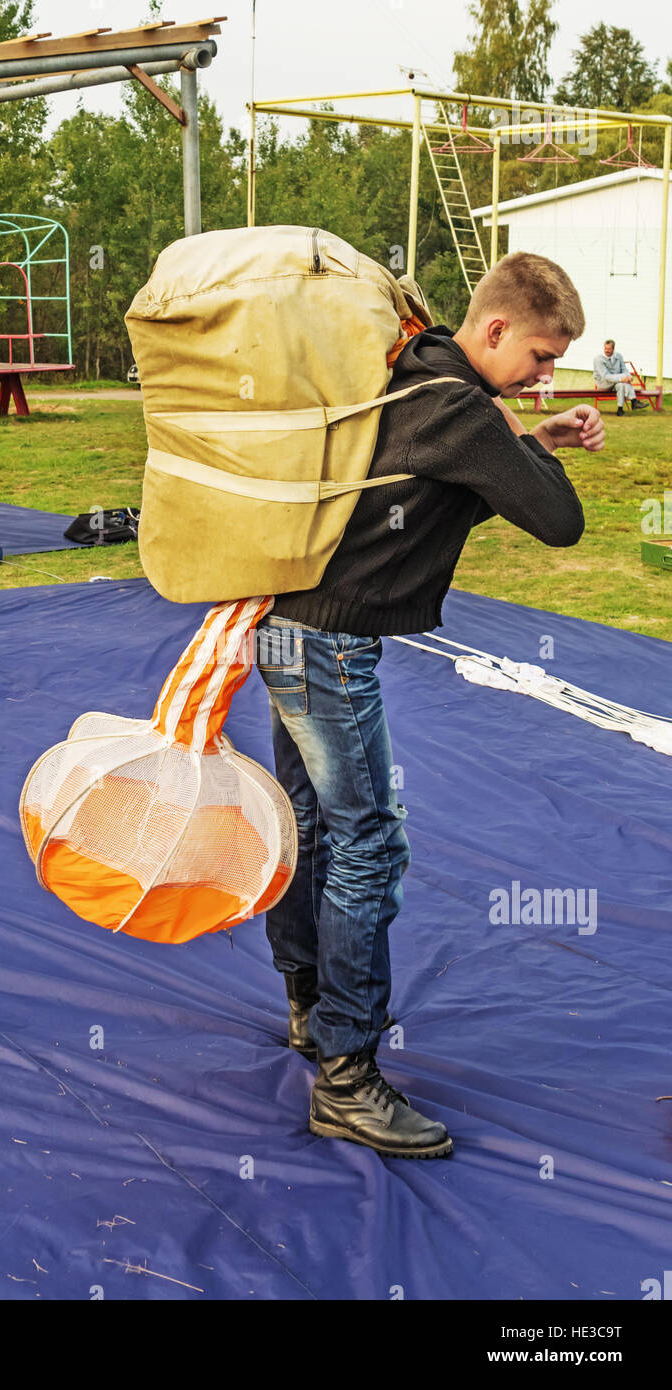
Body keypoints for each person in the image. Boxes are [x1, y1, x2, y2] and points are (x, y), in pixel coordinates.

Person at [255, 250, 604, 1160]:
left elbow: (441, 494)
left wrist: (533, 440)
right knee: (369, 842)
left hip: (286, 630)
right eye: (538, 356)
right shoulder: (459, 405)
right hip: (327, 647)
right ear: (492, 329)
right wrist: (517, 436)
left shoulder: (415, 379)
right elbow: (558, 523)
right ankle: (347, 1078)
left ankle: (306, 1004)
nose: (545, 377)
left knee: (310, 828)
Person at [593, 339, 649, 415]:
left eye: (609, 349)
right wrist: (622, 378)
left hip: (616, 382)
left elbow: (624, 370)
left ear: (613, 349)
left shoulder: (619, 356)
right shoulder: (598, 359)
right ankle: (634, 401)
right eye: (605, 348)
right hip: (603, 383)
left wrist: (629, 377)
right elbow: (606, 376)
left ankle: (620, 410)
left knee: (621, 385)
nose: (606, 351)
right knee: (623, 379)